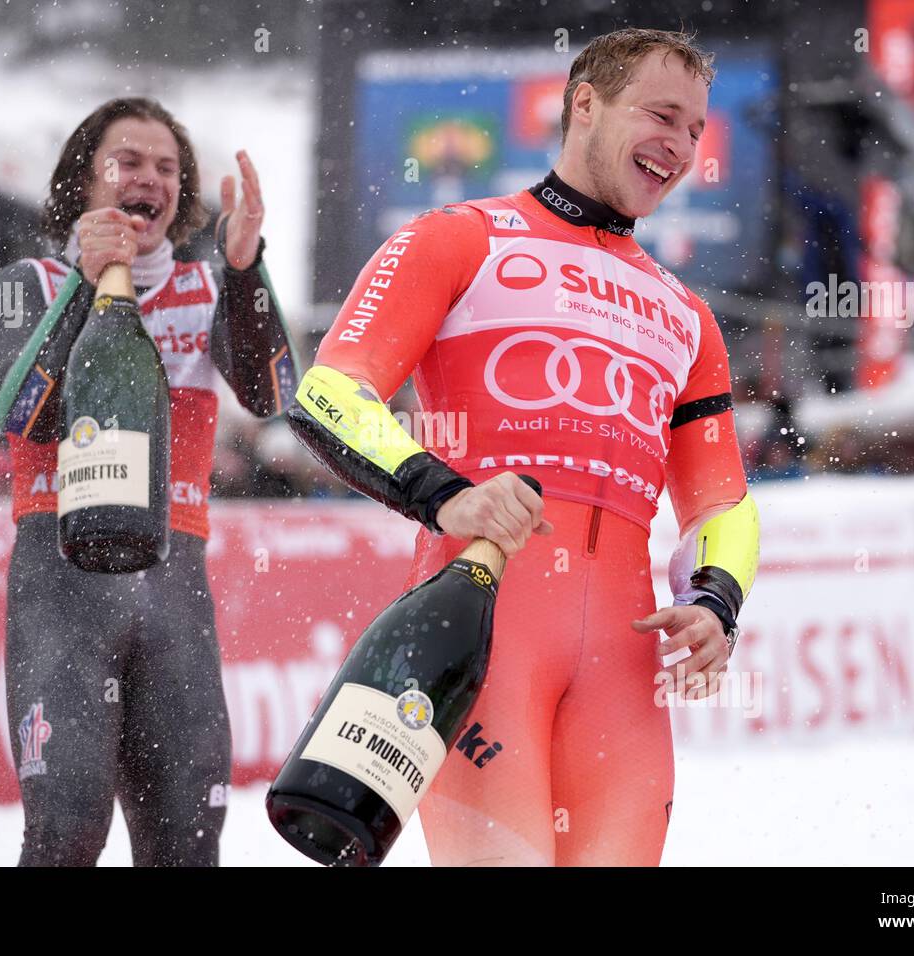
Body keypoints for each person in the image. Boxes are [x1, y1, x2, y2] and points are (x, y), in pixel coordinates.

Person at [287, 29, 759, 866]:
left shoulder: (688, 314)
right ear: (585, 104)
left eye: (695, 128)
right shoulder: (459, 238)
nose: (683, 145)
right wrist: (444, 493)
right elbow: (330, 392)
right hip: (477, 637)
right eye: (661, 114)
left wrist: (717, 601)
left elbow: (720, 498)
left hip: (624, 663)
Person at [0, 97, 297, 866]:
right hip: (61, 591)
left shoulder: (207, 286)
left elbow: (275, 395)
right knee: (67, 834)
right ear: (83, 183)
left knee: (188, 844)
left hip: (174, 597)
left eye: (167, 168)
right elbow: (24, 413)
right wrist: (86, 285)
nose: (148, 178)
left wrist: (249, 268)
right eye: (127, 162)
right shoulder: (25, 280)